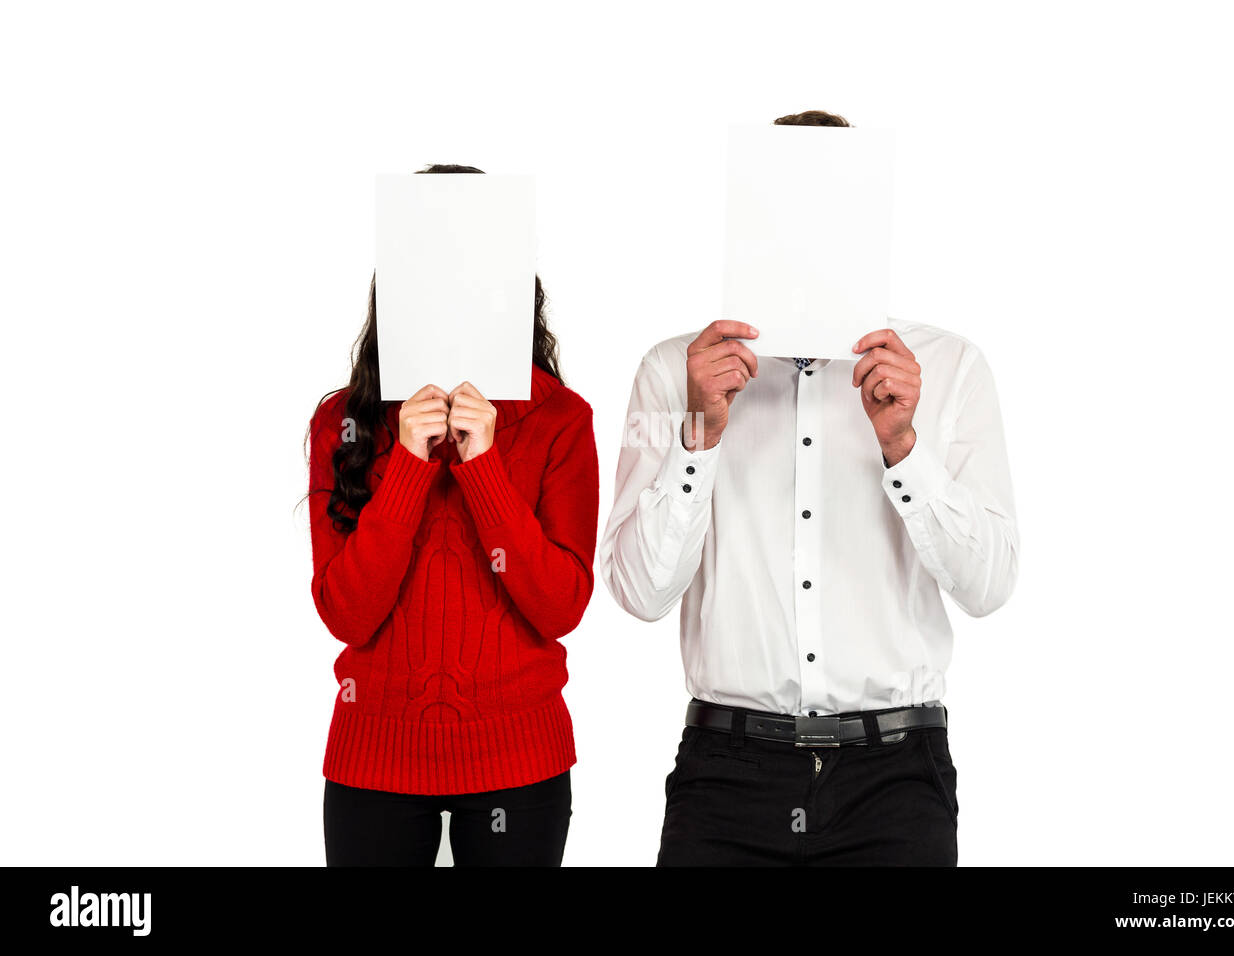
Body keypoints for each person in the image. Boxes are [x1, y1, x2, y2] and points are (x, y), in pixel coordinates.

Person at [599, 110, 1019, 866]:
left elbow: (989, 584)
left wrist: (903, 447)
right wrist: (698, 436)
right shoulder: (674, 371)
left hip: (895, 780)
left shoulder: (950, 367)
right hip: (726, 778)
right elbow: (639, 592)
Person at [306, 164, 598, 866]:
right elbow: (348, 613)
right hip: (374, 761)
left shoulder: (560, 418)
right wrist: (407, 465)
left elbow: (560, 606)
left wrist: (483, 466)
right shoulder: (340, 423)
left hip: (518, 762)